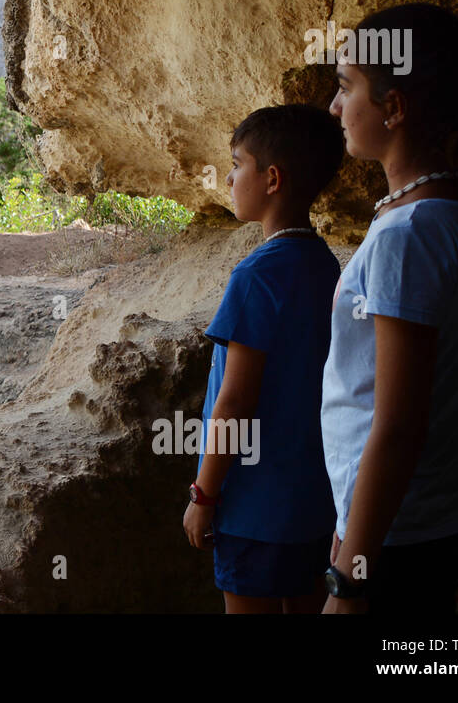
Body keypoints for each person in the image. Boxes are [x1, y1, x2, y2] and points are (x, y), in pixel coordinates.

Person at [320, 3, 458, 614]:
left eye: (346, 87)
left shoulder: (411, 234)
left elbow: (398, 426)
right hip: (412, 513)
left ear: (395, 107)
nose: (334, 106)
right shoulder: (445, 208)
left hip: (408, 521)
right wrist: (352, 523)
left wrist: (351, 575)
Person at [183, 104, 344, 613]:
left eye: (237, 163)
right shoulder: (325, 265)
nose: (229, 177)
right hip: (315, 504)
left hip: (254, 508)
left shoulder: (255, 277)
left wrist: (203, 495)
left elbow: (233, 405)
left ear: (271, 178)